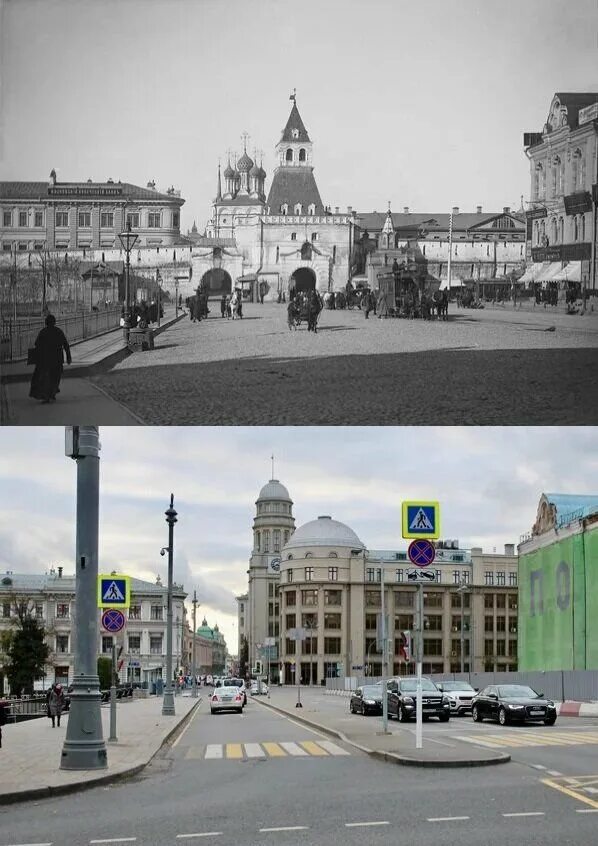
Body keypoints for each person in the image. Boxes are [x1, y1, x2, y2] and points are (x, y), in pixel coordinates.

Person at [29, 314, 72, 404]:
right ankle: (52, 393)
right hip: (57, 359)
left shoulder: (43, 332)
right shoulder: (58, 331)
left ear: (46, 323)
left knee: (45, 378)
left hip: (46, 359)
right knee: (55, 377)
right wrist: (68, 357)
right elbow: (66, 345)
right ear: (54, 322)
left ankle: (47, 396)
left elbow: (37, 344)